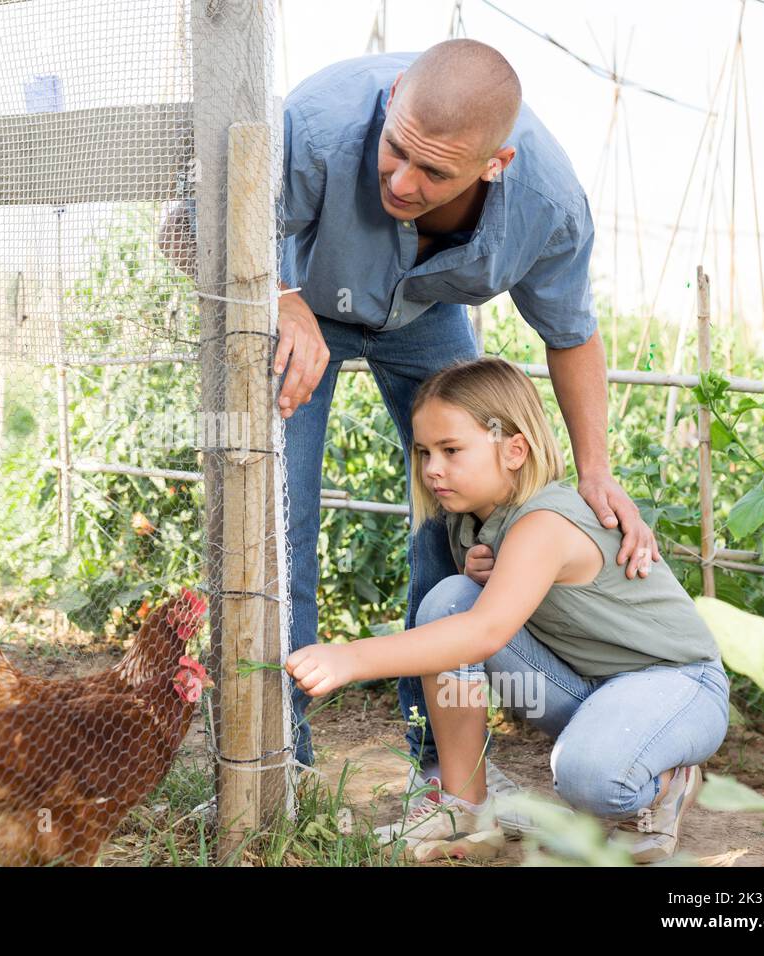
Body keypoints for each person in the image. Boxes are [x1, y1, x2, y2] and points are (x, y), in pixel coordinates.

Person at [270, 39, 661, 776]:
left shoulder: (548, 206)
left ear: (494, 164)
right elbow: (188, 222)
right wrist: (279, 299)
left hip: (422, 315)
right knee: (277, 521)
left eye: (434, 172)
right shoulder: (315, 124)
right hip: (299, 307)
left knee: (461, 515)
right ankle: (278, 756)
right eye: (394, 152)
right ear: (389, 108)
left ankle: (439, 756)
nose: (402, 181)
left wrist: (596, 469)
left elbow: (571, 333)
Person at [284, 357, 730, 864]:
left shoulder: (545, 522)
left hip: (678, 685)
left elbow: (485, 632)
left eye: (452, 451)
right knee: (450, 601)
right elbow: (471, 621)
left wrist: (352, 657)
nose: (433, 469)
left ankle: (668, 781)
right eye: (424, 451)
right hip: (589, 691)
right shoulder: (470, 522)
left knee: (589, 778)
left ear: (514, 449)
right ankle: (467, 805)